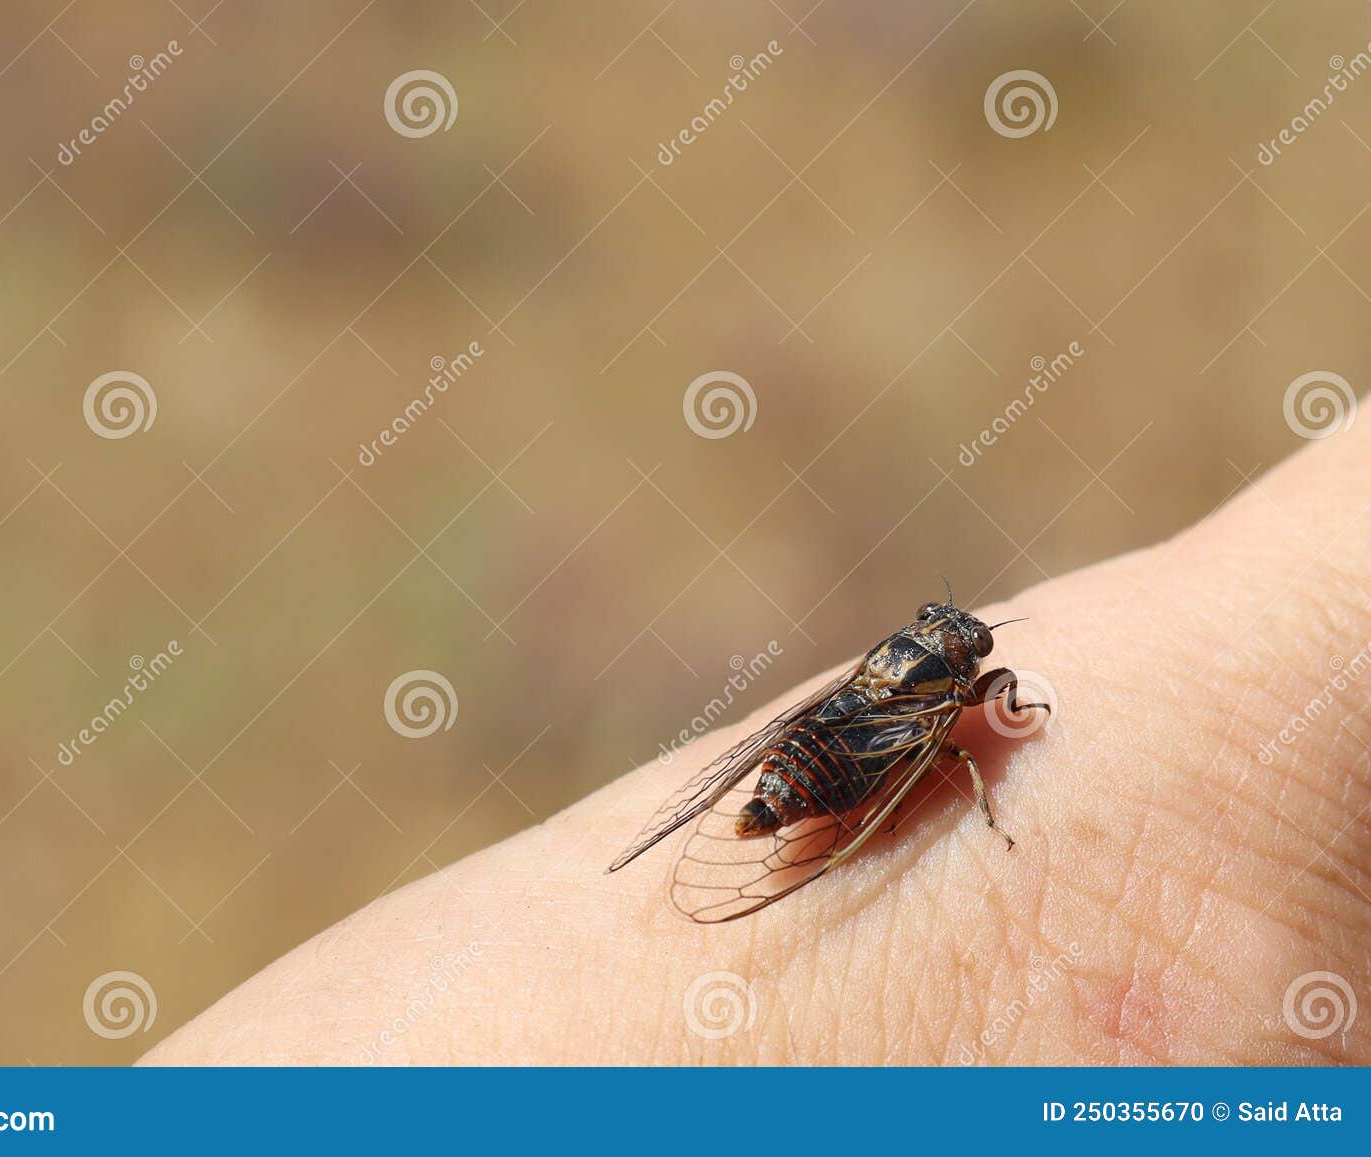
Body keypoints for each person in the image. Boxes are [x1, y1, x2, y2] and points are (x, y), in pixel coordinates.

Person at [143, 414, 1370, 1064]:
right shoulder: (947, 712)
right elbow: (955, 748)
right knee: (870, 788)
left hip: (831, 732)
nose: (972, 658)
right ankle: (773, 819)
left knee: (812, 747)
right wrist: (978, 775)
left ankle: (769, 805)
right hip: (843, 770)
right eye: (963, 653)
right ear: (949, 665)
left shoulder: (929, 679)